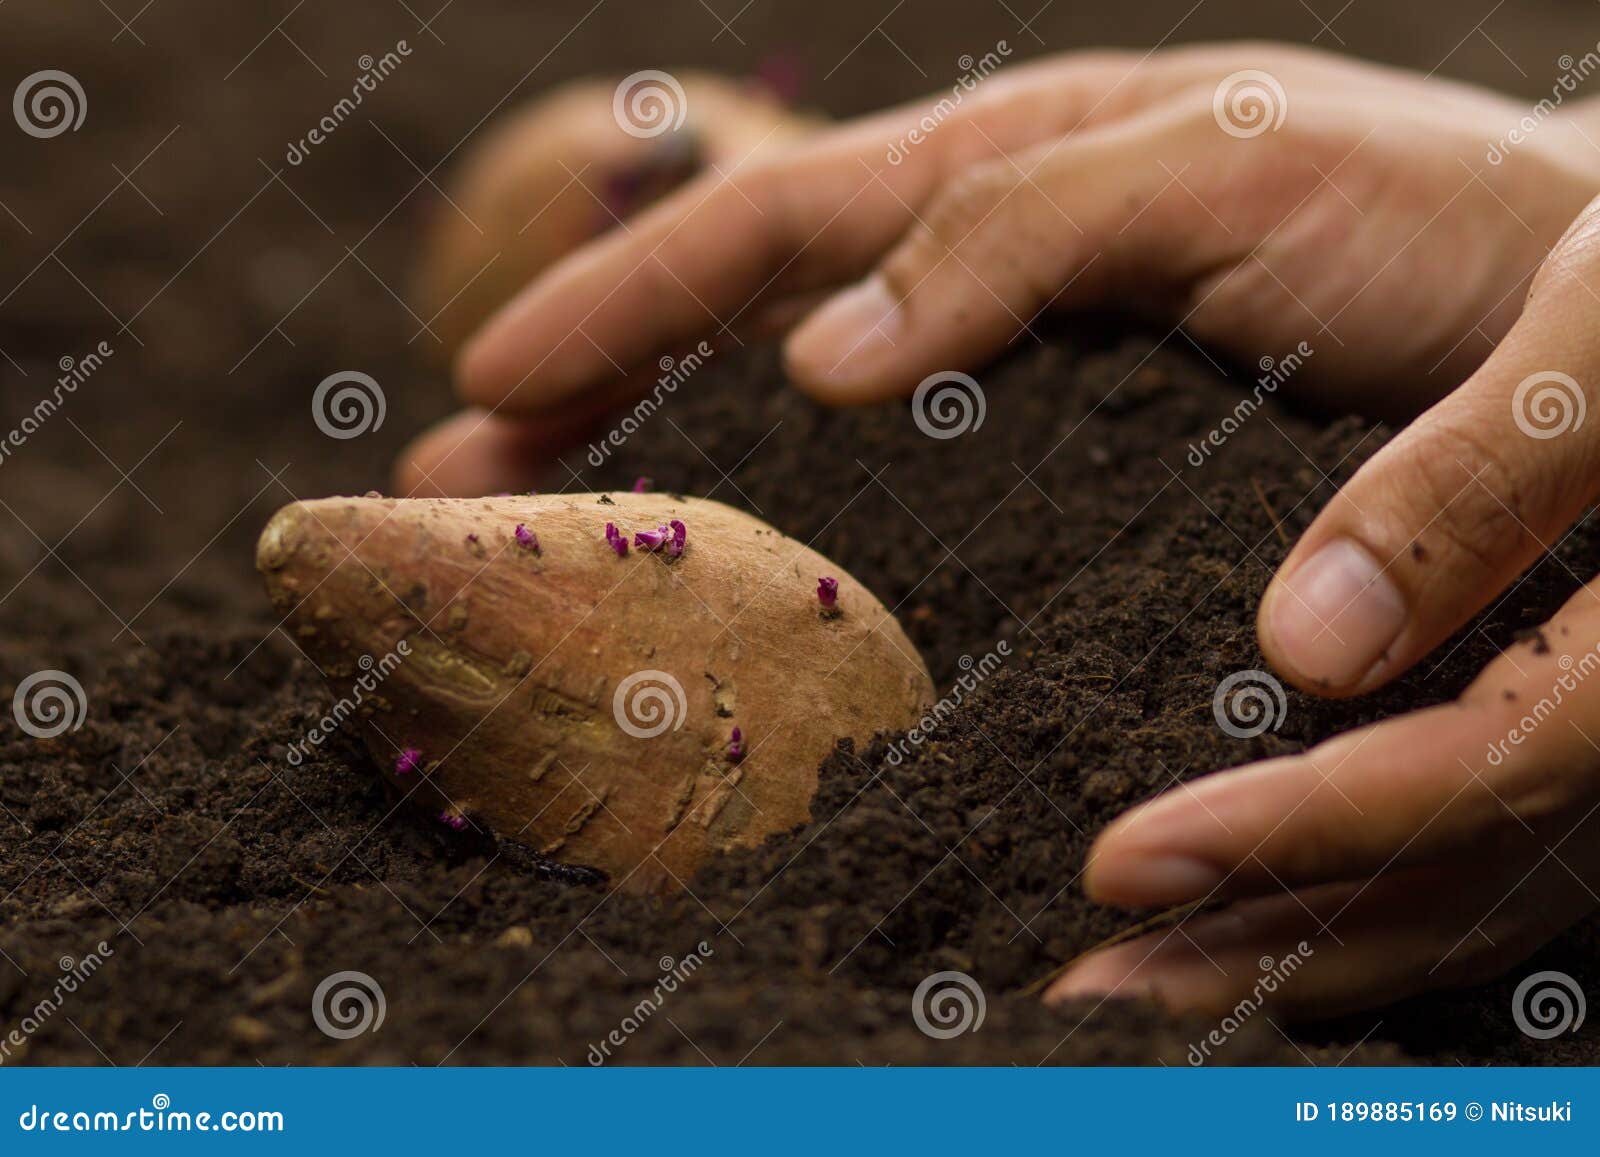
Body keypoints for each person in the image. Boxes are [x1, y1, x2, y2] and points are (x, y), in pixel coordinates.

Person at [396, 44, 1600, 1020]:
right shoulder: (711, 549)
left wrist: (1560, 174)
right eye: (585, 237)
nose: (658, 223)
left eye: (658, 165)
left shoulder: (1131, 255)